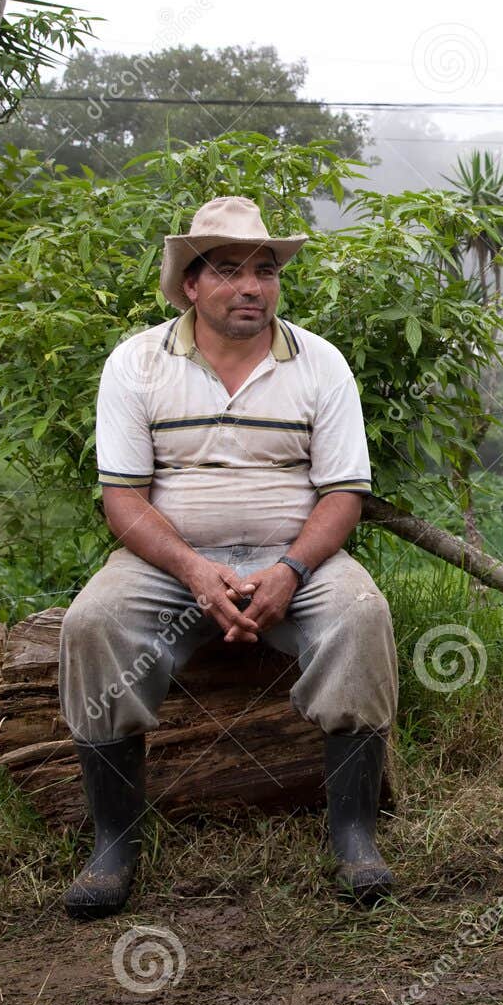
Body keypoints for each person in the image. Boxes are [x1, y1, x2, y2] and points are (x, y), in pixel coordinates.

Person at [56, 195, 399, 920]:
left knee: (362, 612)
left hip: (295, 560)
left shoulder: (321, 363)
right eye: (230, 270)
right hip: (169, 565)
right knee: (91, 622)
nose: (251, 286)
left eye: (265, 270)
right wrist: (194, 571)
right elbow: (124, 502)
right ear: (190, 284)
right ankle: (113, 843)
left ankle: (355, 836)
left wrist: (291, 571)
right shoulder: (136, 362)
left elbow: (342, 496)